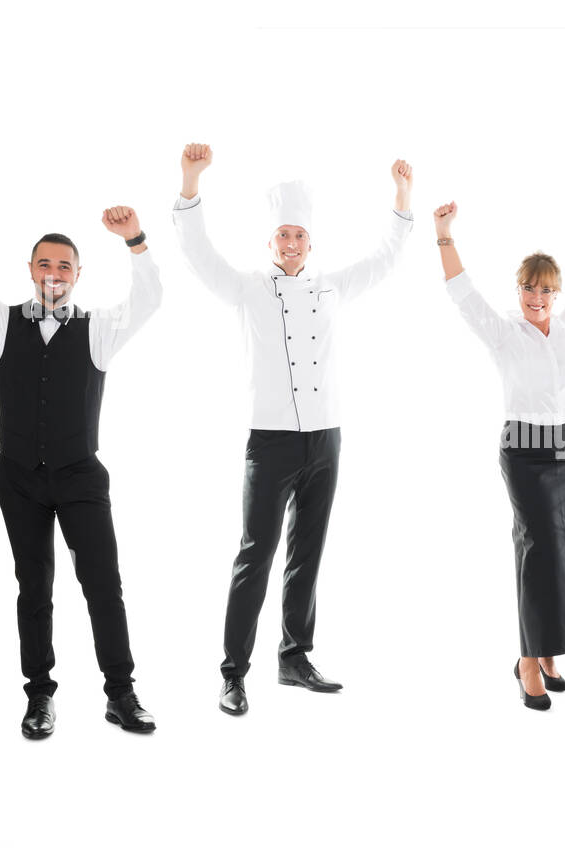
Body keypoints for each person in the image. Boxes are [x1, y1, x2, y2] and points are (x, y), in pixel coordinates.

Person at [0, 209, 162, 738]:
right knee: (33, 584)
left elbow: (150, 298)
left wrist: (134, 239)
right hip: (18, 476)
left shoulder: (100, 328)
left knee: (103, 585)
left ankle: (121, 693)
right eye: (44, 263)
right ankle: (39, 696)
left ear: (77, 274)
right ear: (30, 269)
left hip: (81, 475)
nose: (54, 272)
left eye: (64, 265)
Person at [173, 143, 414, 716]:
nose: (290, 243)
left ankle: (294, 657)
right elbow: (198, 252)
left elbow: (385, 258)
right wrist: (189, 182)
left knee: (308, 550)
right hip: (272, 440)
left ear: (310, 242)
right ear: (270, 242)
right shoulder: (247, 289)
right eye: (282, 235)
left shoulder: (331, 287)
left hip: (326, 437)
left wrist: (402, 199)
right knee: (255, 553)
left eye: (298, 236)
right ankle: (233, 672)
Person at [434, 193, 565, 711]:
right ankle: (528, 659)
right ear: (518, 290)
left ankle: (552, 649)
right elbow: (461, 292)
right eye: (529, 288)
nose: (537, 297)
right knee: (538, 553)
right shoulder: (502, 332)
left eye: (546, 290)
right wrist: (445, 234)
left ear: (557, 293)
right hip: (525, 450)